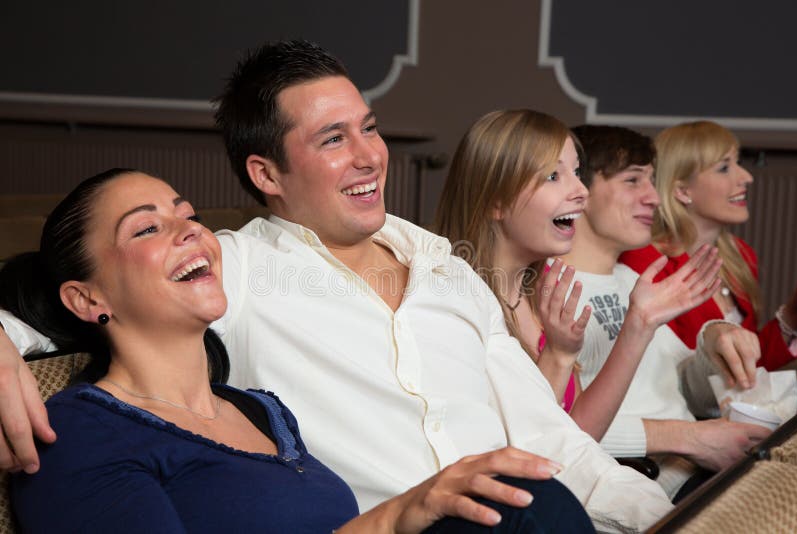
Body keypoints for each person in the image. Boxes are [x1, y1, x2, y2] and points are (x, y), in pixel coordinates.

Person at [0, 40, 672, 531]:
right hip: (411, 524)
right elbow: (61, 294)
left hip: (526, 517)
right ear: (267, 175)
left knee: (535, 494)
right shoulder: (230, 269)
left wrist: (671, 518)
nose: (369, 155)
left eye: (369, 128)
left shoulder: (446, 266)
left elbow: (548, 437)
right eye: (332, 139)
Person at [4, 168, 593, 532]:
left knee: (516, 498)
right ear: (86, 298)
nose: (188, 230)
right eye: (146, 228)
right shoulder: (76, 435)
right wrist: (394, 518)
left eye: (189, 215)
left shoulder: (261, 411)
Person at [435, 111, 720, 444]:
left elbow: (580, 436)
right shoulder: (455, 303)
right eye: (554, 176)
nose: (581, 191)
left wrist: (639, 324)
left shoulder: (541, 295)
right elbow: (520, 450)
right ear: (496, 201)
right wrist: (559, 355)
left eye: (577, 173)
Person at [562, 125, 772, 501]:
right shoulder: (549, 289)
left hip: (698, 471)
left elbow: (695, 396)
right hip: (649, 485)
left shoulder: (631, 278)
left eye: (652, 181)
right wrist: (690, 438)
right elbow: (555, 429)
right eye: (632, 181)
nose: (654, 198)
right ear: (581, 191)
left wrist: (715, 338)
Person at [620, 121, 797, 378]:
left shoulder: (740, 256)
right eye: (725, 167)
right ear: (682, 190)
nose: (746, 177)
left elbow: (747, 368)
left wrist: (792, 317)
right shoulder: (646, 261)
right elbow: (659, 375)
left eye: (738, 163)